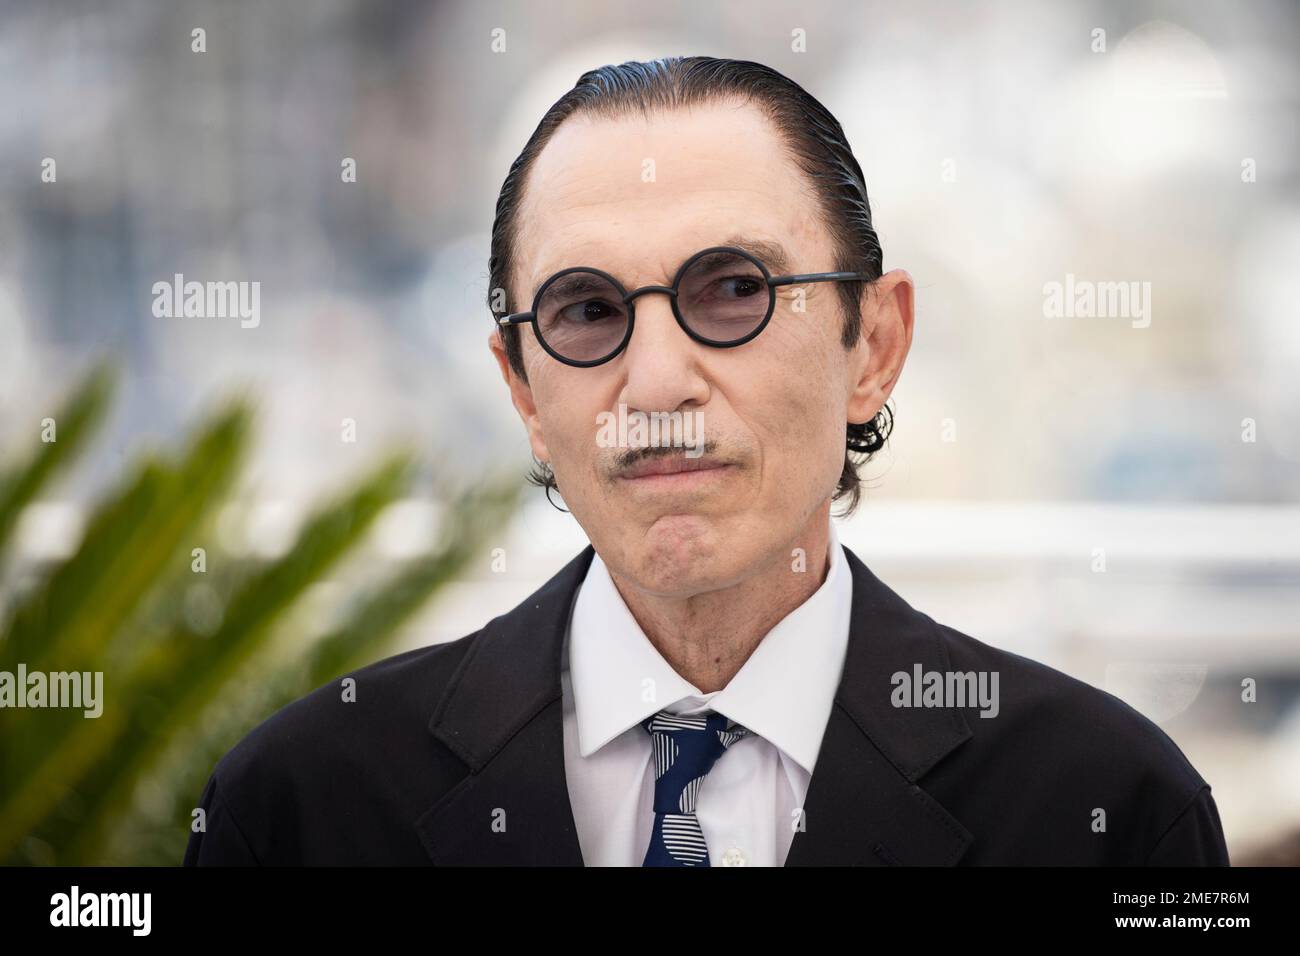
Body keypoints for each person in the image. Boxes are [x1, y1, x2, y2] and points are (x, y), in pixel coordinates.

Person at [184, 56, 1229, 866]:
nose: (655, 382)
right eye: (587, 310)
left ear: (872, 346)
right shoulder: (302, 805)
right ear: (522, 391)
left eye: (732, 290)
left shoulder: (1106, 808)